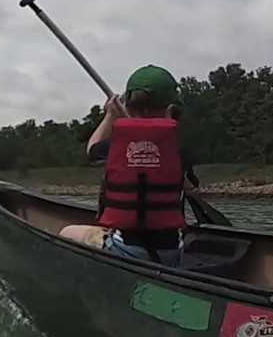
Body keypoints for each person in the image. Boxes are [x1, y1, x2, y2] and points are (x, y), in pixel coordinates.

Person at [59, 64, 200, 267]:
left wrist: (109, 116)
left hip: (125, 251)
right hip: (171, 255)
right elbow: (192, 189)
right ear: (171, 110)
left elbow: (91, 149)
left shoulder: (116, 146)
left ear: (128, 107)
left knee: (68, 233)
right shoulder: (179, 151)